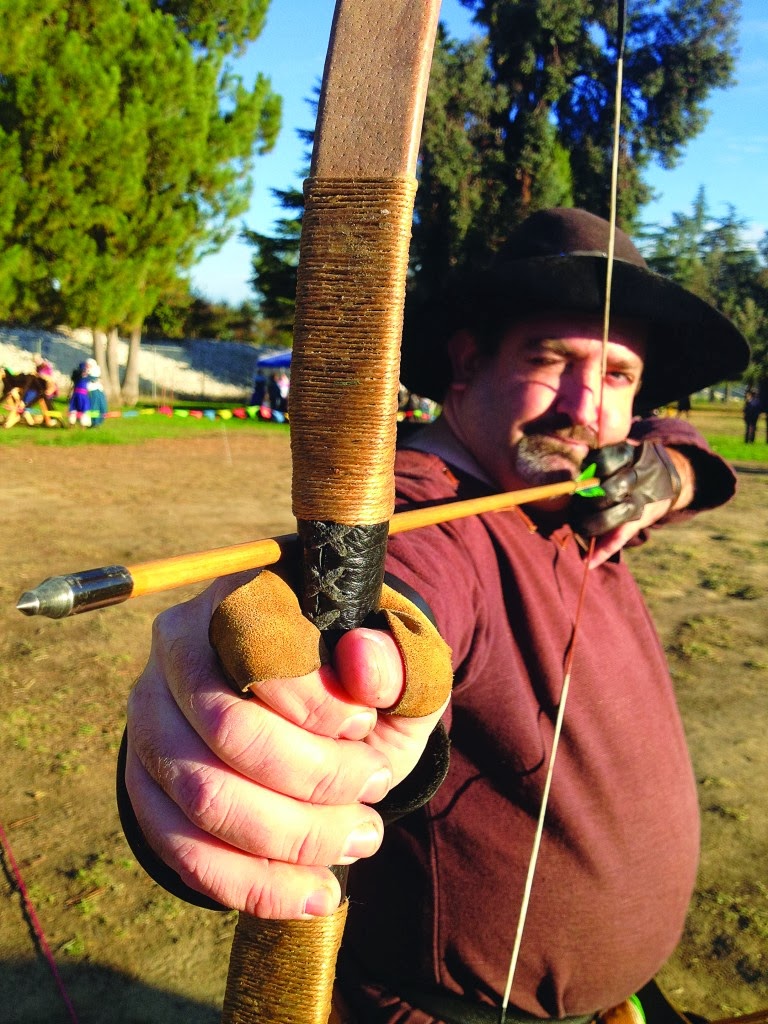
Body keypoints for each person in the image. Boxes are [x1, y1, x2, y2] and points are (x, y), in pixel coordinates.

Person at [119, 208, 750, 1024]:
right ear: (464, 363)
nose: (587, 409)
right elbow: (381, 601)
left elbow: (668, 446)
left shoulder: (587, 488)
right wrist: (237, 700)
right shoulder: (434, 513)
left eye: (618, 376)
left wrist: (675, 471)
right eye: (550, 359)